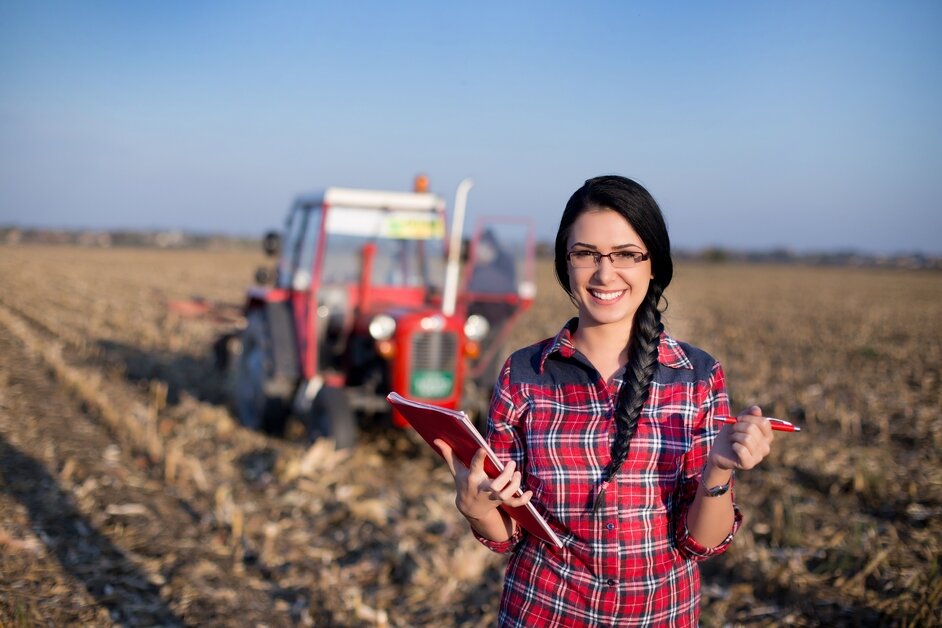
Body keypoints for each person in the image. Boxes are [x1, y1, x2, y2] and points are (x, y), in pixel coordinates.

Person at [435, 175, 775, 626]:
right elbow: (511, 533)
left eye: (626, 254)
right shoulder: (523, 375)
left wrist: (719, 468)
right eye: (585, 254)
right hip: (545, 612)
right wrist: (478, 510)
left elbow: (701, 543)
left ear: (653, 265)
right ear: (565, 263)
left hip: (659, 615)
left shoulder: (696, 377)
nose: (604, 273)